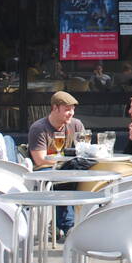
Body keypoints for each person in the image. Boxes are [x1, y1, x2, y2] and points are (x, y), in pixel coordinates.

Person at [27, 91, 87, 234]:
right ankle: (68, 225)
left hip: (70, 170)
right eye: (67, 109)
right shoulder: (39, 128)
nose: (71, 113)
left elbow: (85, 151)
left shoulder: (76, 125)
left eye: (73, 109)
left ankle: (63, 223)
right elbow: (40, 160)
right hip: (45, 172)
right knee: (64, 178)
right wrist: (65, 165)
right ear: (54, 108)